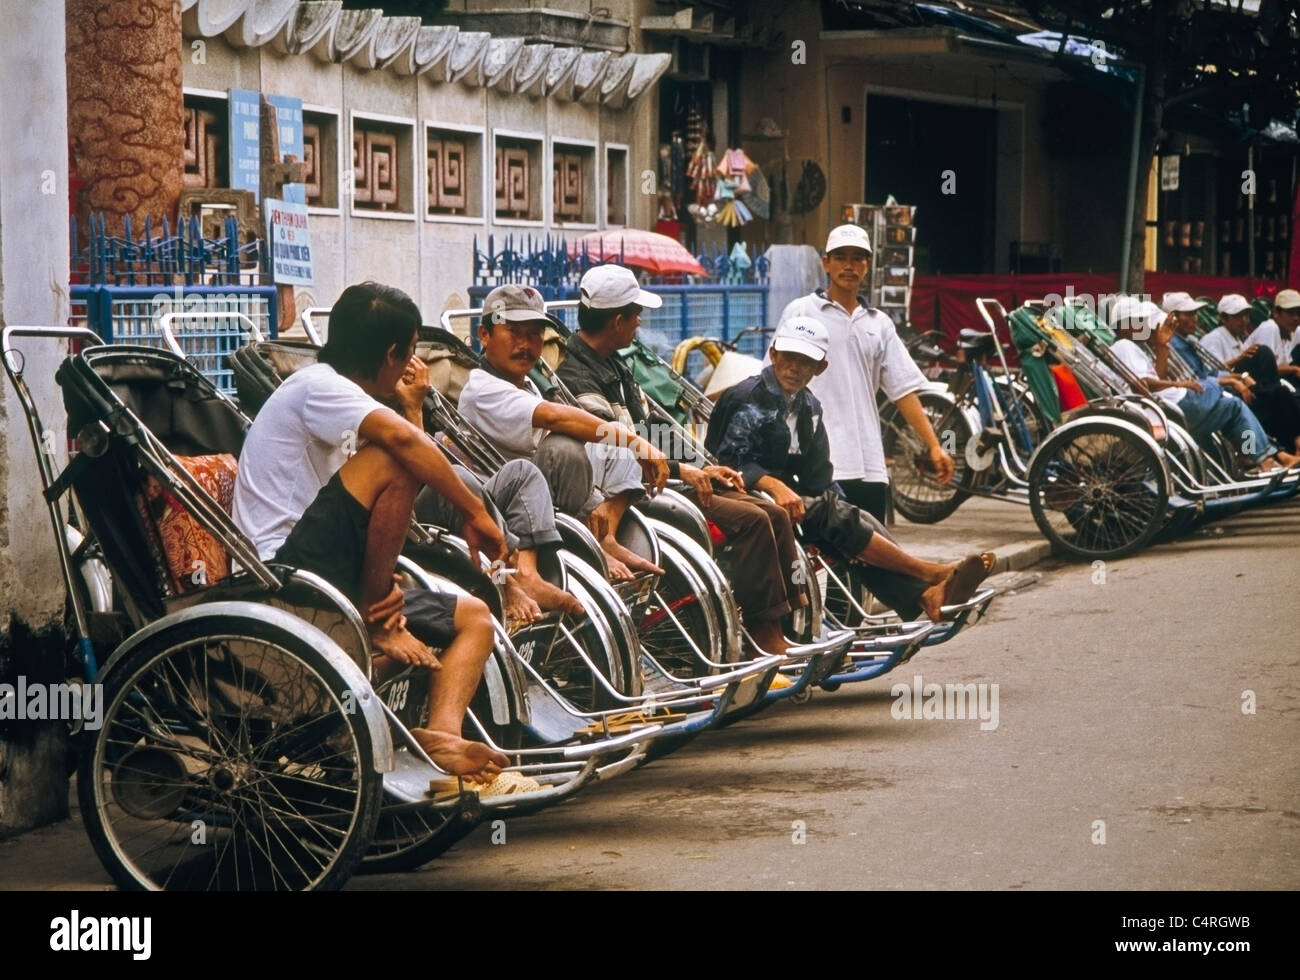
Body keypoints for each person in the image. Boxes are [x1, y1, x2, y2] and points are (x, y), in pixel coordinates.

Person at [232, 281, 510, 782]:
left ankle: (443, 738)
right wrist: (474, 511)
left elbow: (393, 481)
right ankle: (376, 617)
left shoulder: (346, 395)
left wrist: (412, 407)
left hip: (327, 566)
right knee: (393, 458)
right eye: (407, 353)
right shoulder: (318, 386)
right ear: (392, 354)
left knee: (476, 618)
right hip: (283, 572)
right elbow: (403, 451)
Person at [559, 264, 808, 655]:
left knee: (772, 511)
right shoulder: (577, 376)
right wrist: (681, 471)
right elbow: (613, 442)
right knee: (755, 521)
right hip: (628, 486)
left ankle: (782, 623)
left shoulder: (614, 364)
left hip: (662, 476)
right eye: (636, 315)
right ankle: (763, 632)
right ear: (618, 321)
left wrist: (698, 465)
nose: (640, 323)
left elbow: (650, 430)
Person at [706, 316, 994, 623]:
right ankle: (929, 574)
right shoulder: (748, 397)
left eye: (805, 361)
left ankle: (925, 595)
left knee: (855, 519)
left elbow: (819, 475)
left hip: (784, 499)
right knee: (837, 518)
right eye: (788, 357)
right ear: (773, 354)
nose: (794, 368)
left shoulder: (809, 407)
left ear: (820, 368)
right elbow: (729, 461)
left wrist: (844, 509)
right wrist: (774, 486)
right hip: (737, 496)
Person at [458, 283, 670, 580]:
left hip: (559, 491)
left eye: (534, 334)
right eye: (514, 333)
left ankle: (605, 537)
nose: (526, 344)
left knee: (614, 442)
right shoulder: (483, 388)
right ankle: (591, 543)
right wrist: (636, 442)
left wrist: (632, 445)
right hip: (514, 500)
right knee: (568, 446)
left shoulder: (534, 383)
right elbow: (556, 418)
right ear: (485, 334)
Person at [777, 224, 955, 522]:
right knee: (821, 556)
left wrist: (934, 445)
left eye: (858, 258)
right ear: (826, 262)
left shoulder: (878, 323)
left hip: (867, 461)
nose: (849, 265)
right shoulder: (802, 312)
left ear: (867, 265)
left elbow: (903, 390)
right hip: (813, 459)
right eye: (841, 257)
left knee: (870, 556)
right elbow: (775, 378)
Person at [1108, 296, 1299, 472]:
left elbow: (1157, 377)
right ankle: (1263, 457)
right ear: (1125, 326)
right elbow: (1144, 384)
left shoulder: (1138, 346)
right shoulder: (1124, 346)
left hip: (1175, 402)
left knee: (1233, 406)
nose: (1149, 327)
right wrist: (1184, 384)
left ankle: (1258, 456)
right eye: (1141, 323)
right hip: (1173, 405)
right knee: (1231, 400)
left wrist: (1161, 348)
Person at [1162, 292, 1300, 454]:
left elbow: (1210, 372)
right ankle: (1259, 455)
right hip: (1204, 395)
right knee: (1264, 392)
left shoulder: (1189, 341)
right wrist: (1235, 380)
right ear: (1172, 318)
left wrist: (1239, 377)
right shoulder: (1175, 344)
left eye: (1195, 314)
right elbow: (1198, 378)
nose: (1195, 319)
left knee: (1279, 394)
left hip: (1218, 386)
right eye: (1189, 314)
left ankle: (1284, 449)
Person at [1245, 288, 1300, 382]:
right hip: (1253, 380)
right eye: (1290, 313)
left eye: (1299, 313)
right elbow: (1265, 369)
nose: (1296, 318)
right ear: (1275, 313)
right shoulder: (1270, 328)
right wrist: (1294, 369)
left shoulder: (1294, 329)